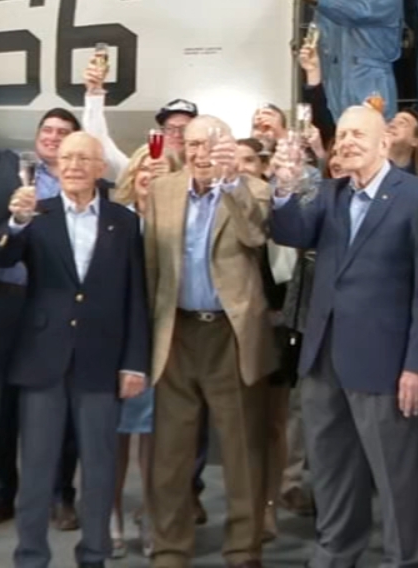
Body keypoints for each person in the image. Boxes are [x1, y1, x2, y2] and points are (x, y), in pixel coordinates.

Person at [271, 106, 418, 568]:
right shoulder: (328, 192)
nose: (346, 141)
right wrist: (285, 186)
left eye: (358, 134)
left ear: (384, 142)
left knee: (400, 478)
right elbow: (290, 231)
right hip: (324, 360)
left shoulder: (417, 195)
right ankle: (335, 554)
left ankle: (407, 560)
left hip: (388, 363)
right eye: (342, 134)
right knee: (331, 472)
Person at [0, 131, 151, 568]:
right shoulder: (35, 213)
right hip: (42, 360)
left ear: (101, 169)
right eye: (67, 158)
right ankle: (30, 557)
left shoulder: (123, 221)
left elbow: (136, 295)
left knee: (99, 469)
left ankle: (94, 555)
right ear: (56, 166)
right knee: (37, 470)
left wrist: (135, 363)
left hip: (102, 362)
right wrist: (15, 223)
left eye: (84, 158)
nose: (74, 165)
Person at [0, 57, 83, 532]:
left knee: (61, 399)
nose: (53, 137)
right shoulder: (7, 165)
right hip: (6, 298)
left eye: (63, 132)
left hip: (58, 303)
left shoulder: (85, 182)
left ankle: (61, 495)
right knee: (3, 400)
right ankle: (0, 494)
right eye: (48, 130)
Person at [142, 116, 275, 568]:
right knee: (170, 455)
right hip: (175, 333)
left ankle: (243, 550)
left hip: (229, 335)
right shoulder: (163, 190)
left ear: (227, 147)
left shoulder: (252, 189)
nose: (201, 153)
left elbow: (255, 235)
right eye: (194, 144)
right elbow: (151, 268)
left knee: (241, 451)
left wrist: (232, 183)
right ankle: (170, 548)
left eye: (211, 144)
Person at [278, 0, 402, 121]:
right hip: (334, 83)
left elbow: (358, 11)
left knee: (372, 135)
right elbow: (318, 31)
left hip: (370, 85)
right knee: (339, 137)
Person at [107, 145, 158, 558]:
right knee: (116, 435)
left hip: (166, 339)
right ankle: (112, 516)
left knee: (157, 436)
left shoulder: (178, 218)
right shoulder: (114, 220)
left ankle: (153, 514)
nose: (149, 175)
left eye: (158, 169)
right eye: (143, 166)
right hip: (118, 340)